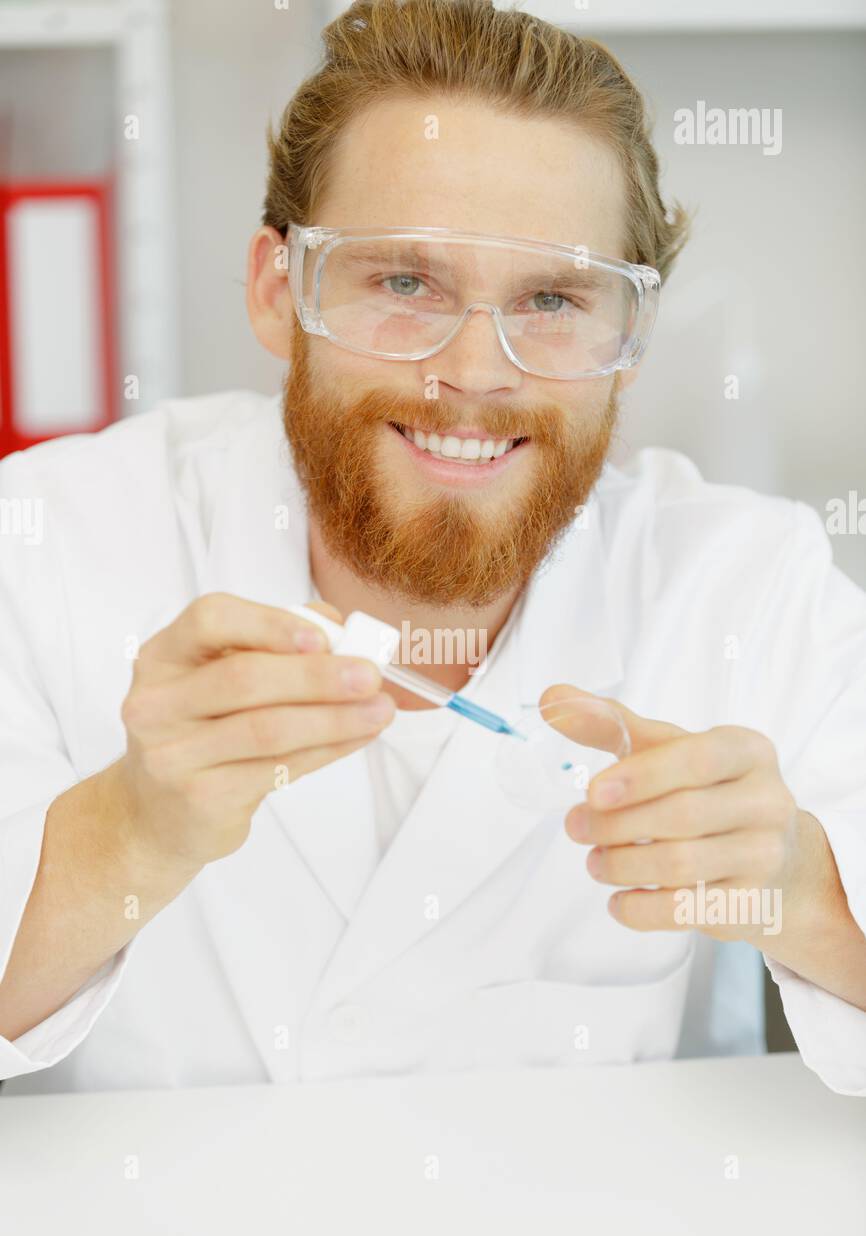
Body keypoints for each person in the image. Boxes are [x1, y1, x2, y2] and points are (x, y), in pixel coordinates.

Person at [1, 0, 864, 1096]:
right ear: (281, 291)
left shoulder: (744, 585)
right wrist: (124, 832)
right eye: (405, 284)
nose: (474, 371)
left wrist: (804, 892)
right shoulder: (47, 543)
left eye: (551, 298)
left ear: (627, 340)